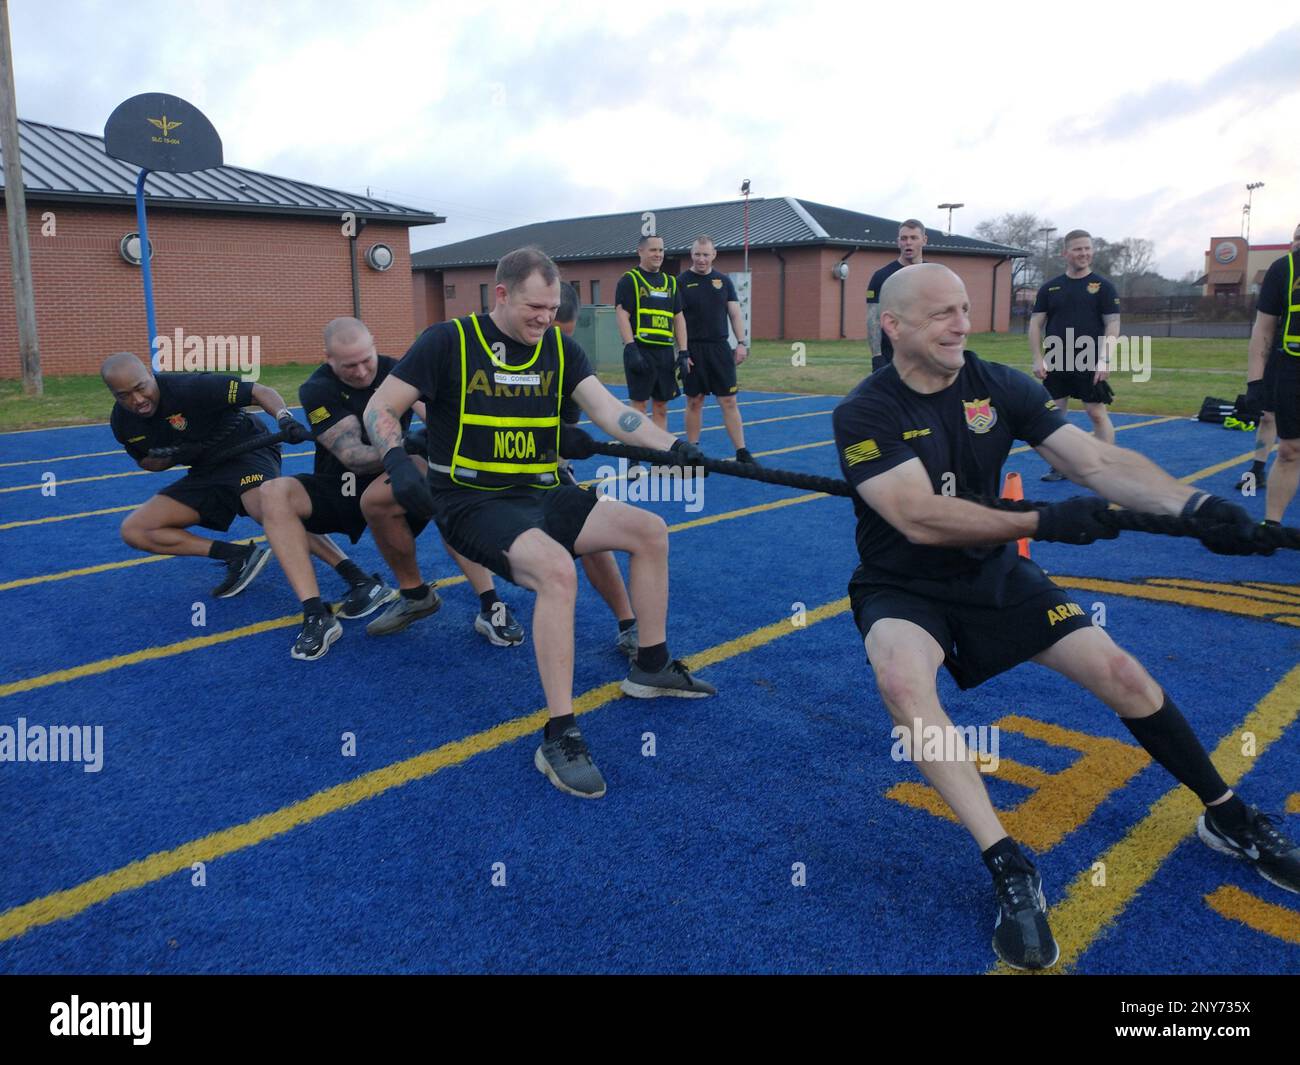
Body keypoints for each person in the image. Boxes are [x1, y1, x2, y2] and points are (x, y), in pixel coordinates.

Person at [832, 263, 1297, 971]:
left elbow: (1096, 462)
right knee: (902, 683)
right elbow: (917, 516)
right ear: (893, 325)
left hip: (993, 572)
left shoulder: (1001, 385)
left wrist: (1197, 507)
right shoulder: (864, 411)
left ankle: (1228, 814)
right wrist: (1042, 519)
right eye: (942, 314)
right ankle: (1007, 862)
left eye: (965, 309)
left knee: (1122, 673)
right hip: (903, 584)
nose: (962, 325)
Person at [364, 247, 715, 800]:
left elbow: (610, 412)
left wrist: (670, 444)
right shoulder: (448, 341)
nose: (545, 318)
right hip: (473, 501)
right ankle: (559, 733)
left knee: (649, 529)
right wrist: (394, 460)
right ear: (501, 294)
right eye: (534, 307)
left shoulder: (559, 347)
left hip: (542, 491)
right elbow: (379, 408)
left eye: (552, 308)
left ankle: (651, 666)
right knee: (557, 571)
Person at [259, 317, 523, 660]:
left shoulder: (400, 370)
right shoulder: (316, 389)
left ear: (374, 346)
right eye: (349, 366)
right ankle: (316, 614)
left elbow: (440, 419)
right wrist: (403, 446)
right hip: (343, 485)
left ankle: (490, 605)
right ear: (329, 359)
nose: (360, 372)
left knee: (443, 483)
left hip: (396, 483)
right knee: (271, 494)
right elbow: (352, 455)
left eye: (365, 360)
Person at [104, 351, 313, 597]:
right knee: (135, 530)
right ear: (113, 395)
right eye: (124, 395)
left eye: (140, 387)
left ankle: (348, 571)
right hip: (207, 470)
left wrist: (284, 418)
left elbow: (259, 391)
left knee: (266, 509)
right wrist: (171, 457)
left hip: (245, 450)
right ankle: (238, 556)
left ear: (150, 374)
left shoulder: (190, 386)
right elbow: (146, 462)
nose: (137, 399)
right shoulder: (122, 422)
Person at [553, 282, 639, 656]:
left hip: (540, 472)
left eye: (565, 336)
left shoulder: (568, 361)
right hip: (485, 476)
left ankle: (628, 624)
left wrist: (670, 446)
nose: (556, 344)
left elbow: (606, 412)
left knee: (592, 529)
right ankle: (489, 602)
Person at [1029, 229, 1120, 481]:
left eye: (1087, 248)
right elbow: (1035, 324)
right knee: (1054, 416)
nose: (1084, 253)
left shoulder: (1104, 287)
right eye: (1078, 249)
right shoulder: (1050, 288)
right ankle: (1061, 466)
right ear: (1065, 253)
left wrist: (1105, 359)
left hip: (1089, 359)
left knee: (1096, 413)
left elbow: (1113, 325)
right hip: (1056, 359)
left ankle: (1104, 465)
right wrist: (1038, 357)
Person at [677, 236, 756, 464]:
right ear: (691, 255)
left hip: (720, 349)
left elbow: (735, 314)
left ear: (714, 255)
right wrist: (682, 352)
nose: (701, 259)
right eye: (697, 254)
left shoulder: (724, 281)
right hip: (693, 349)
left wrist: (741, 343)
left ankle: (742, 452)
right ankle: (693, 452)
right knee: (695, 401)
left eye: (705, 254)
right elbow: (676, 320)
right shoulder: (680, 282)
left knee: (729, 401)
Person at [1239, 221, 1300, 499]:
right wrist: (1255, 380)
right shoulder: (1283, 271)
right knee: (1266, 416)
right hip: (1279, 357)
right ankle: (1257, 469)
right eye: (1296, 237)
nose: (1298, 242)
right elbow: (1262, 328)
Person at [616, 234, 687, 436]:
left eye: (661, 250)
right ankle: (638, 451)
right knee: (639, 408)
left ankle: (659, 451)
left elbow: (678, 317)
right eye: (653, 250)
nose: (658, 254)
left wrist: (683, 352)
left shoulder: (671, 282)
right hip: (640, 350)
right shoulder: (629, 280)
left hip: (664, 353)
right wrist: (630, 347)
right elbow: (622, 314)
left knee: (661, 407)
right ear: (641, 252)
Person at [867, 219, 928, 372]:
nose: (908, 242)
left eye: (913, 238)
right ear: (898, 242)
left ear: (924, 240)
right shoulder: (881, 277)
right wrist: (877, 357)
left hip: (926, 356)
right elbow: (873, 319)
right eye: (904, 238)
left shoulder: (934, 275)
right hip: (891, 359)